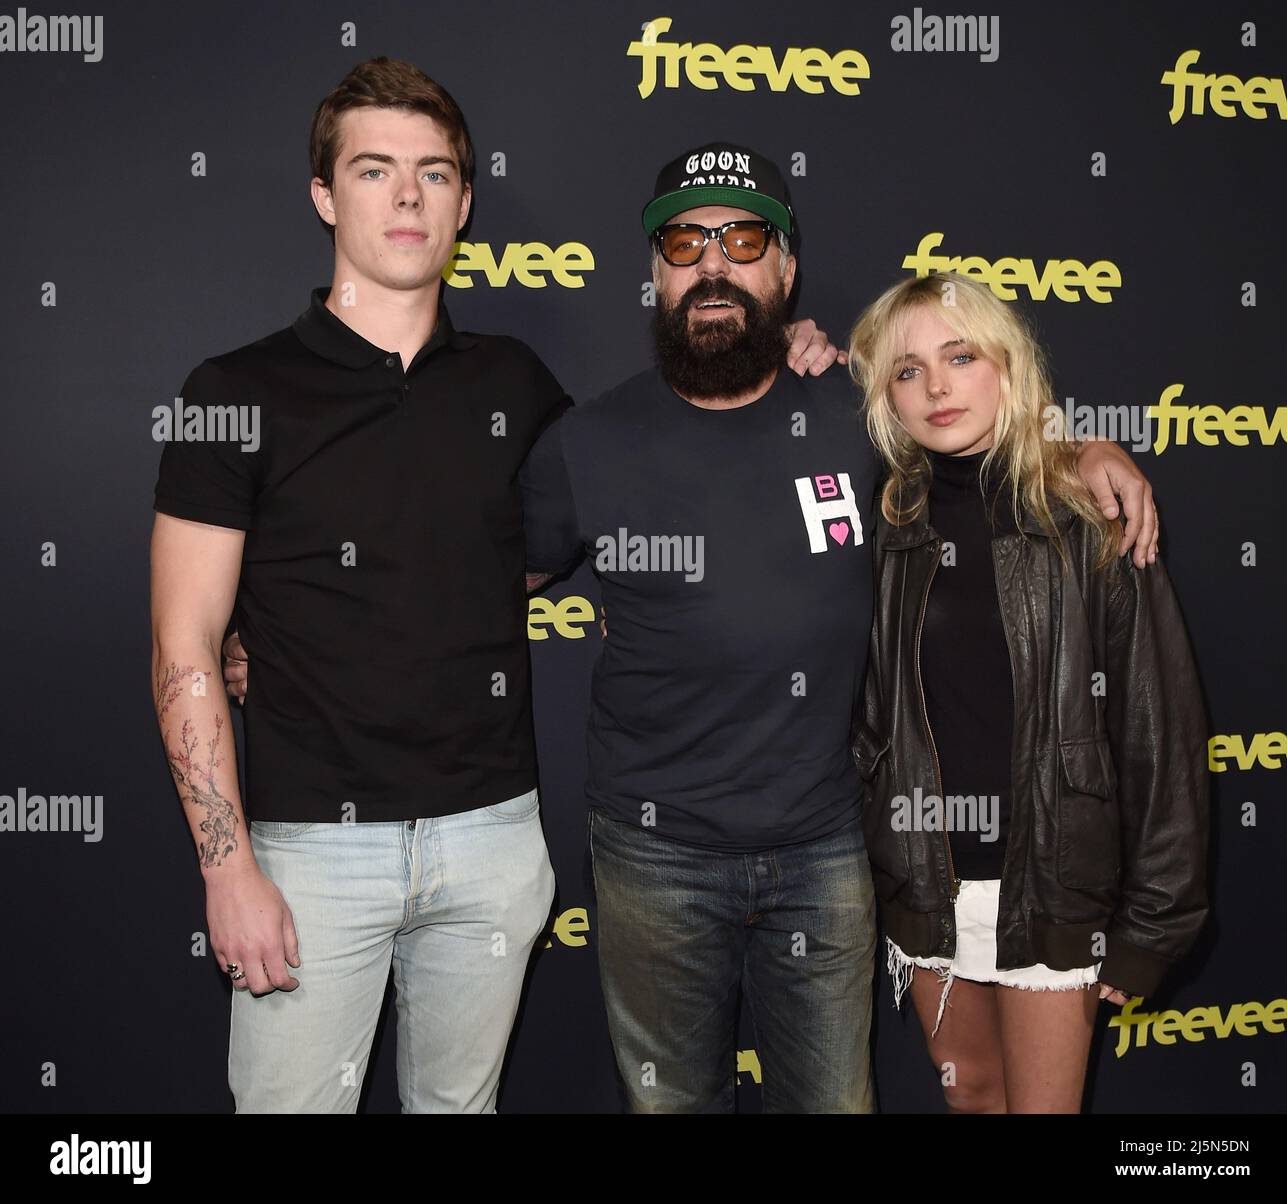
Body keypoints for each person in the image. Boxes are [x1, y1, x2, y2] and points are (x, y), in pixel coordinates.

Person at [152, 60, 836, 1115]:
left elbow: (579, 515)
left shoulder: (515, 386)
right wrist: (226, 866)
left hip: (493, 838)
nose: (407, 196)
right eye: (374, 170)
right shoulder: (236, 391)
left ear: (465, 203)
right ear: (326, 196)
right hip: (309, 856)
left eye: (433, 173)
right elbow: (185, 645)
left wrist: (798, 345)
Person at [514, 146, 1159, 1113]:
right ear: (654, 273)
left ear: (785, 269)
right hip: (656, 852)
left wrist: (1081, 448)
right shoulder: (585, 442)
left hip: (829, 846)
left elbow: (972, 429)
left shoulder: (857, 409)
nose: (714, 265)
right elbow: (480, 592)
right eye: (685, 242)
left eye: (744, 239)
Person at [846, 270, 1209, 1114]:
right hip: (926, 886)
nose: (936, 386)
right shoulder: (885, 523)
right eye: (907, 370)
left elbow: (1161, 732)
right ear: (885, 398)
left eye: (960, 355)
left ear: (1008, 367)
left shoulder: (1088, 518)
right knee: (972, 1097)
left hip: (1051, 884)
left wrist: (1154, 925)